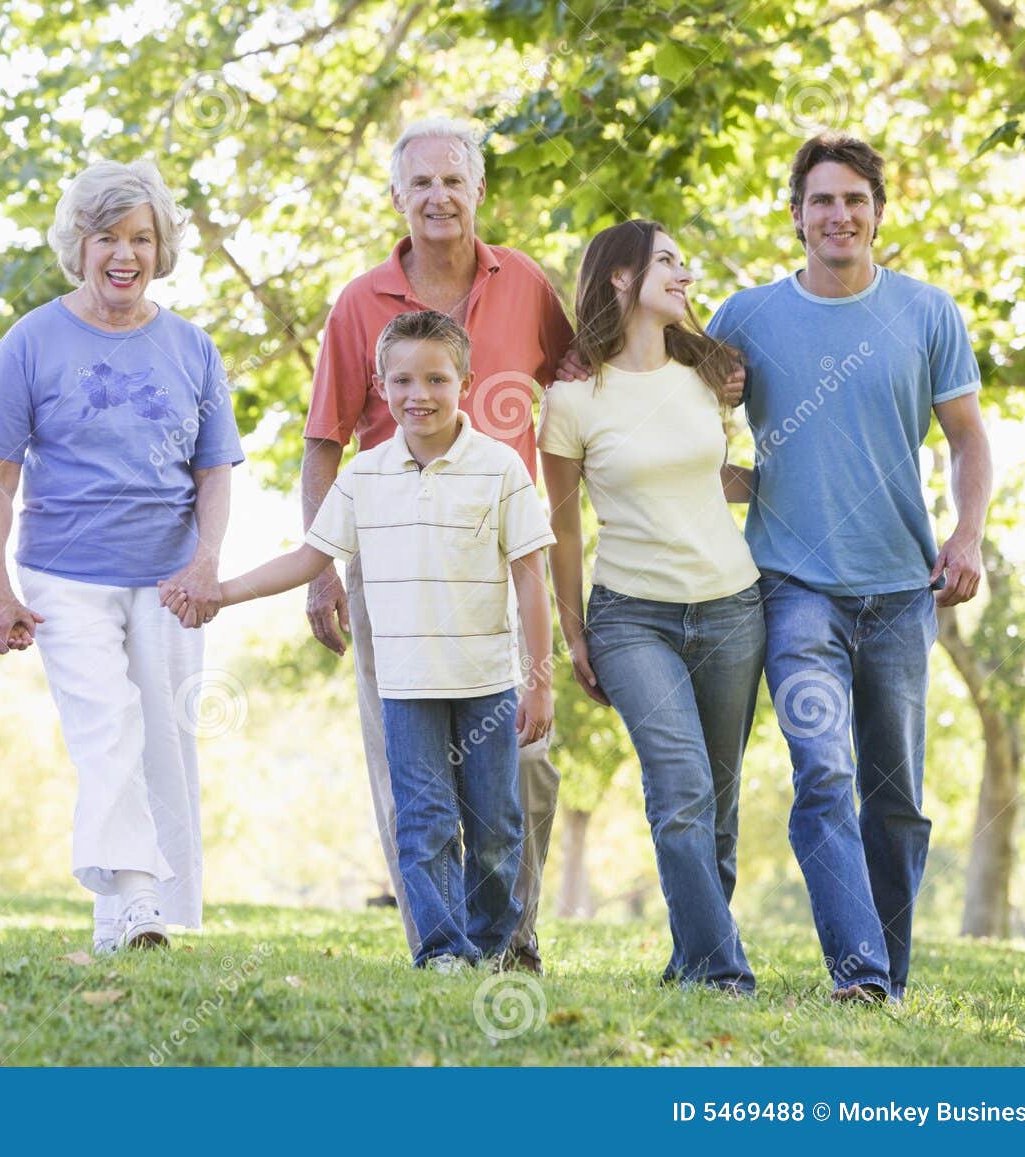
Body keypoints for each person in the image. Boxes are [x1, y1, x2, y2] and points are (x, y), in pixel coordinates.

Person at [170, 311, 555, 971]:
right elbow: (307, 559)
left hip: (487, 682)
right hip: (405, 687)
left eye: (436, 378)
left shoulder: (500, 468)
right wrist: (220, 592)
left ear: (465, 382)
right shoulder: (364, 476)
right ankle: (443, 950)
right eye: (402, 379)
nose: (419, 393)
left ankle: (494, 946)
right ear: (380, 386)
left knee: (497, 827)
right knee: (425, 822)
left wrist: (539, 681)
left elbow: (530, 579)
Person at [705, 134, 993, 1001]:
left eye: (855, 200)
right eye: (822, 200)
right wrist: (744, 479)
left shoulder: (927, 312)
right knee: (823, 772)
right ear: (796, 216)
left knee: (895, 797)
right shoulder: (745, 317)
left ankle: (888, 977)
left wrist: (967, 535)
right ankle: (860, 971)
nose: (839, 215)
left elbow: (968, 439)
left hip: (903, 591)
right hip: (793, 588)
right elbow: (672, 416)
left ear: (878, 212)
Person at [302, 117, 574, 972]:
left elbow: (583, 380)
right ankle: (440, 944)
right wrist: (322, 572)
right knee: (408, 770)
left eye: (453, 180)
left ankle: (511, 937)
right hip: (393, 572)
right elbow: (324, 441)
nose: (438, 196)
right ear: (396, 196)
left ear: (479, 190)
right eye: (420, 182)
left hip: (501, 563)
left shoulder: (524, 282)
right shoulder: (359, 303)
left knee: (524, 764)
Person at [0, 158, 244, 952]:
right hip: (64, 573)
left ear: (161, 249)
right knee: (105, 728)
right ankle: (142, 900)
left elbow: (215, 470)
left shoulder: (192, 347)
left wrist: (207, 561)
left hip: (169, 577)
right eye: (107, 237)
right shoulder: (32, 340)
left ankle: (116, 914)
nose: (125, 254)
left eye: (141, 238)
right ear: (79, 246)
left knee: (162, 741)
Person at [540, 221, 764, 992]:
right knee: (681, 787)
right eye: (667, 261)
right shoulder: (571, 399)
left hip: (732, 607)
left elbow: (708, 476)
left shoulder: (709, 374)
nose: (684, 275)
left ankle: (692, 953)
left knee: (719, 805)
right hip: (631, 617)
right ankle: (721, 969)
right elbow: (564, 527)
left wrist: (778, 486)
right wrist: (573, 632)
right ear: (620, 277)